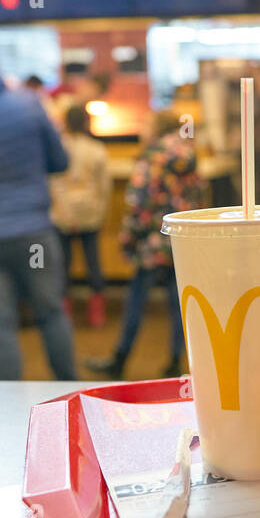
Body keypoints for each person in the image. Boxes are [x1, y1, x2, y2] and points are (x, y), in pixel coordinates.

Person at [0, 47, 75, 381]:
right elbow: (60, 162)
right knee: (50, 311)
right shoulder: (28, 104)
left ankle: (10, 405)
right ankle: (71, 390)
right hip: (34, 231)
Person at [85, 111, 208, 379]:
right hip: (182, 241)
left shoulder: (152, 156)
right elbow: (198, 197)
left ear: (155, 128)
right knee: (180, 304)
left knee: (136, 300)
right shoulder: (189, 154)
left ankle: (120, 358)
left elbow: (139, 202)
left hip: (153, 242)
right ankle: (176, 363)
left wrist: (128, 239)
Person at [50, 104, 112, 328]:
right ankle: (97, 313)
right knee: (93, 261)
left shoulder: (57, 148)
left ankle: (64, 313)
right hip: (90, 213)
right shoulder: (97, 150)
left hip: (62, 214)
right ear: (87, 123)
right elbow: (105, 186)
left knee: (62, 264)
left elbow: (53, 182)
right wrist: (100, 210)